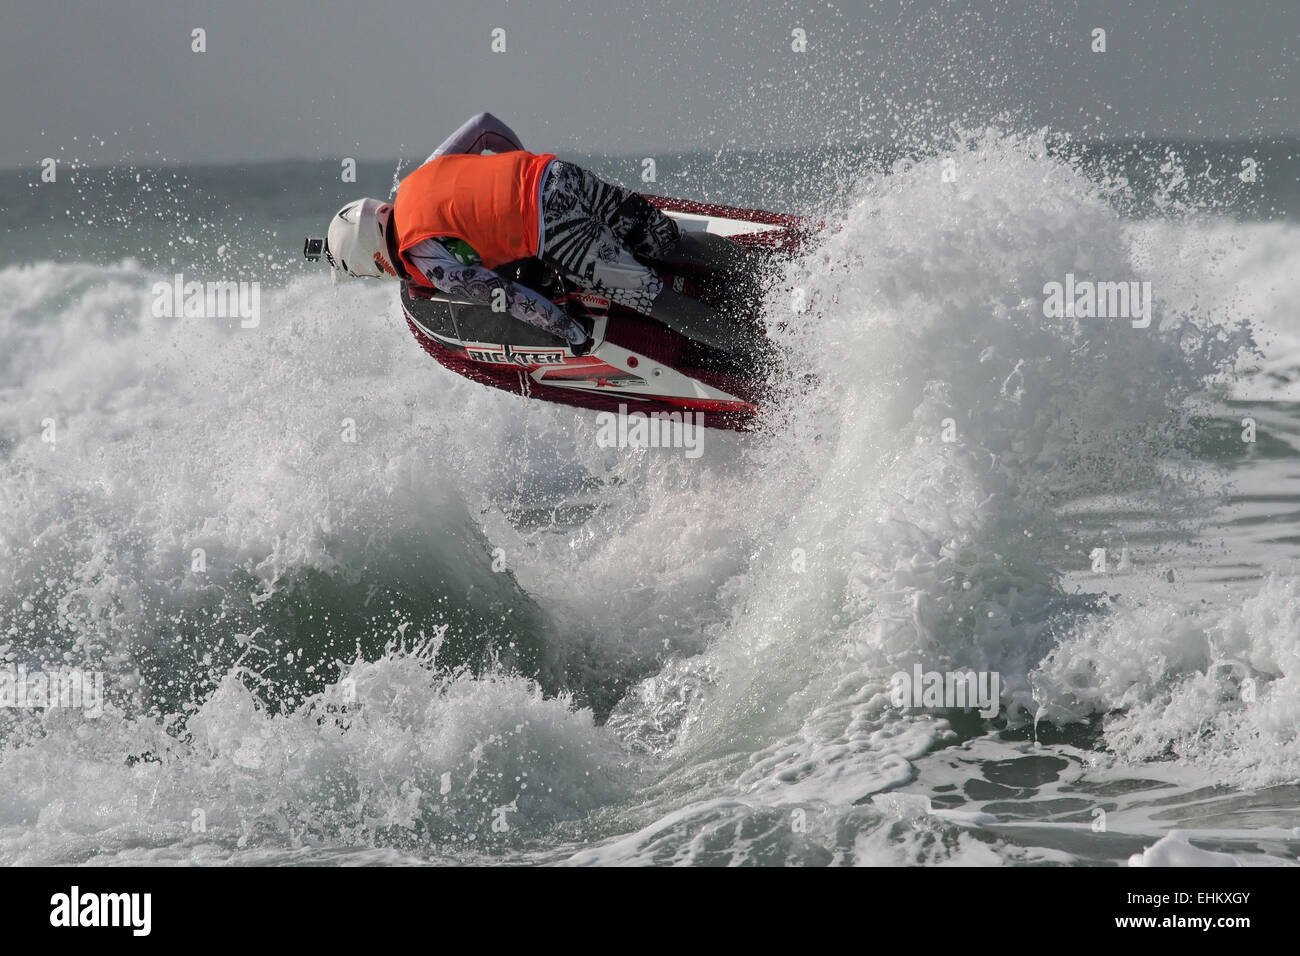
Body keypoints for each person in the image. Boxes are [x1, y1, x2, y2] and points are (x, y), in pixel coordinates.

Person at [307, 112, 753, 354]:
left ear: (374, 260)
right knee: (669, 241)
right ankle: (774, 270)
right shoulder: (420, 178)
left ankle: (768, 356)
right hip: (556, 173)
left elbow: (510, 298)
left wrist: (570, 332)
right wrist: (521, 178)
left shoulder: (425, 258)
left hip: (556, 230)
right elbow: (484, 125)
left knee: (655, 298)